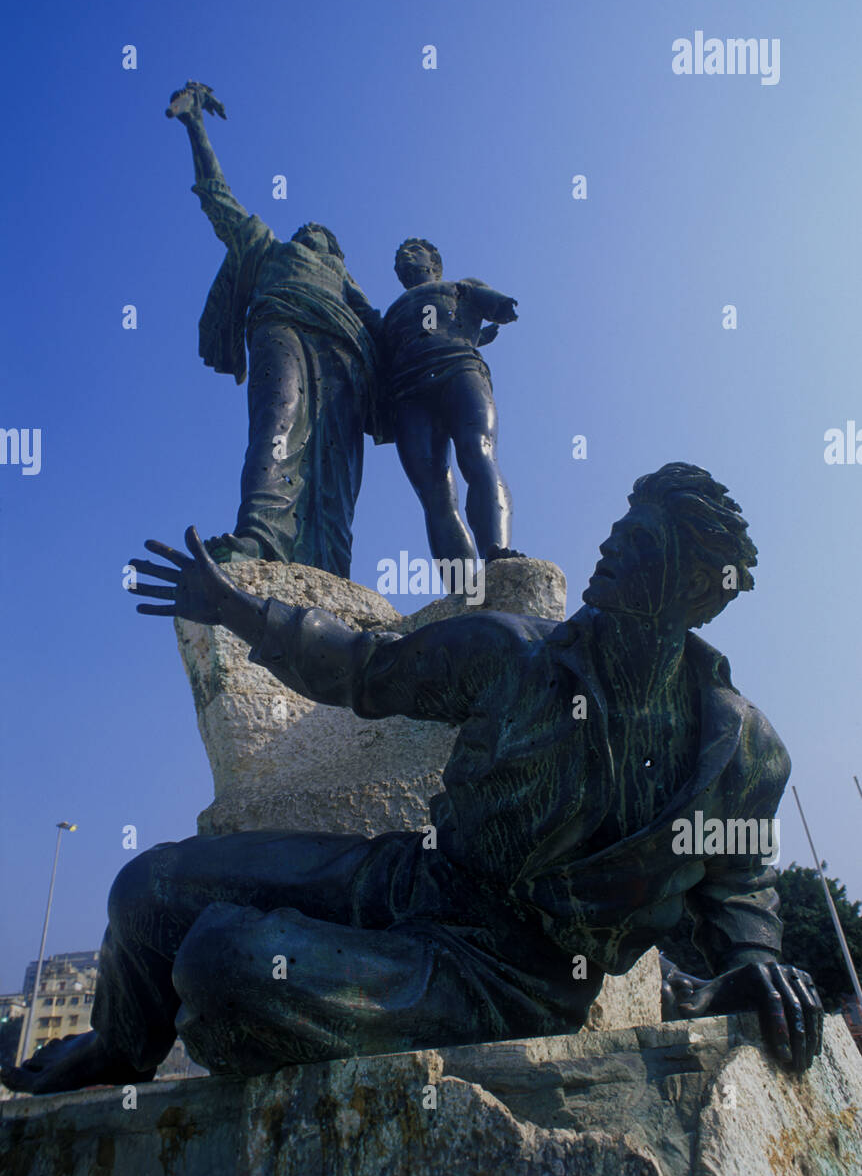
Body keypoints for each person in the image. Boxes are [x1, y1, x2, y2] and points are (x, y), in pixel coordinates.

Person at [2, 464, 823, 1094]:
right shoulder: (516, 654)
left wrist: (756, 961)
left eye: (639, 541)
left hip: (509, 977)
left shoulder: (741, 750)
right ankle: (115, 1050)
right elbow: (366, 668)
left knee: (221, 968)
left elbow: (739, 889)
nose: (611, 543)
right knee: (146, 887)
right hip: (416, 877)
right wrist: (239, 610)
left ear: (692, 589)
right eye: (620, 524)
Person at [168, 81, 382, 574]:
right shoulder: (267, 247)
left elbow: (382, 330)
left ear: (337, 255)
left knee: (338, 466)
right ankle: (259, 536)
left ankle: (330, 566)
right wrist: (195, 126)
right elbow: (220, 203)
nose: (313, 232)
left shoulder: (347, 285)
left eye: (324, 235)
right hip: (280, 327)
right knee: (278, 423)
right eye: (307, 230)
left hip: (344, 352)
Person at [380, 238, 520, 568]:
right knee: (434, 491)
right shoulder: (389, 316)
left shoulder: (461, 286)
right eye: (400, 256)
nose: (404, 258)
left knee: (477, 451)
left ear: (434, 260)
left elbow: (494, 305)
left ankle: (496, 553)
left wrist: (496, 310)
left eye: (413, 252)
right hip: (408, 392)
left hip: (459, 370)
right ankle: (461, 586)